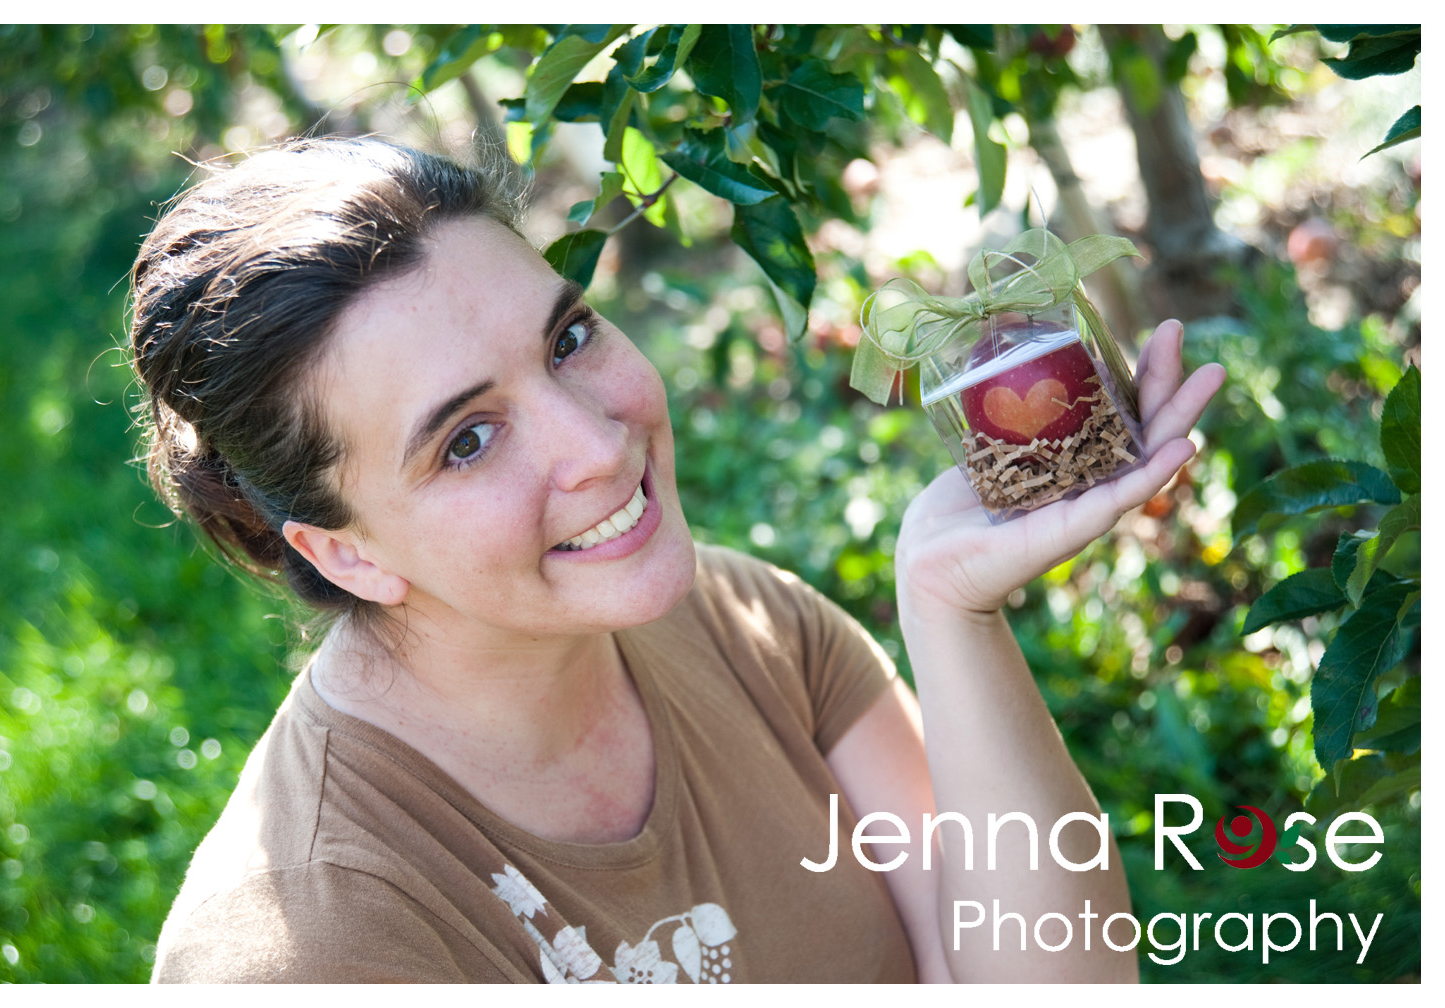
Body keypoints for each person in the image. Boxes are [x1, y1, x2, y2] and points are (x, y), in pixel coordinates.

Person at [131, 135, 1225, 983]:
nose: (602, 445)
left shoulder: (744, 625)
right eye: (468, 440)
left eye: (567, 339)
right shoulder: (322, 941)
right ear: (342, 551)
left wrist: (951, 611)